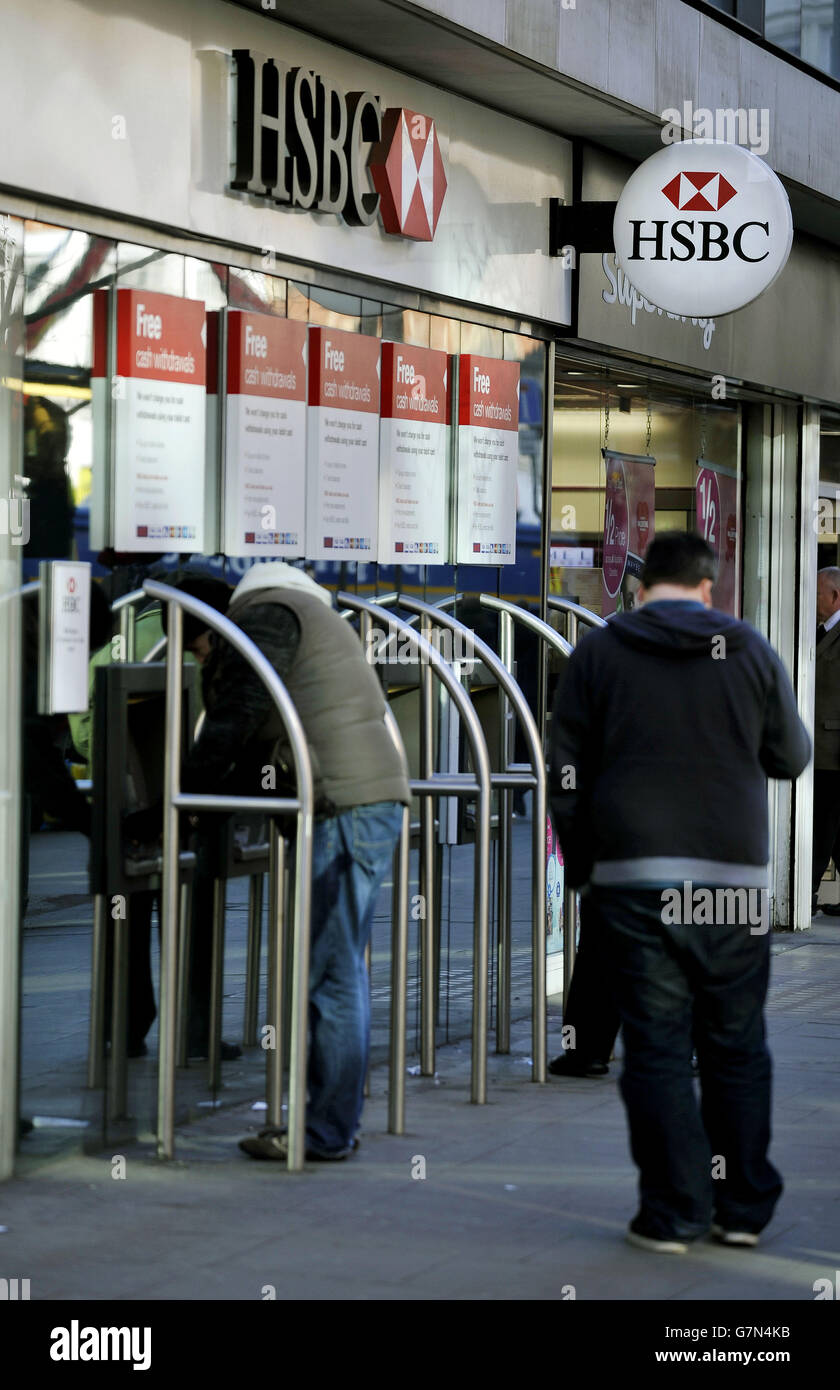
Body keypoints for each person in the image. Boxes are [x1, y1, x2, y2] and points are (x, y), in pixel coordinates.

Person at [549, 531, 810, 1254]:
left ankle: (673, 1212)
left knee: (658, 1046)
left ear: (640, 589)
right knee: (735, 1046)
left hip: (634, 880)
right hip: (730, 882)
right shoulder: (748, 648)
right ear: (706, 586)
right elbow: (791, 756)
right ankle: (742, 1209)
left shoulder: (599, 653)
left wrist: (583, 870)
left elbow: (564, 775)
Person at [172, 562, 410, 1161]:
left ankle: (325, 1131)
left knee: (329, 977)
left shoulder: (266, 618)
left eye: (198, 646)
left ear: (214, 619)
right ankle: (330, 1124)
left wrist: (182, 797)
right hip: (360, 800)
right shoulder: (308, 612)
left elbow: (240, 713)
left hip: (340, 807)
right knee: (340, 972)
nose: (201, 658)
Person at [811, 566, 840, 914]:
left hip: (833, 753)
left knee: (821, 824)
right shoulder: (817, 632)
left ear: (834, 597)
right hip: (818, 750)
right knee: (834, 827)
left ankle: (806, 895)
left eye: (816, 593)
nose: (811, 599)